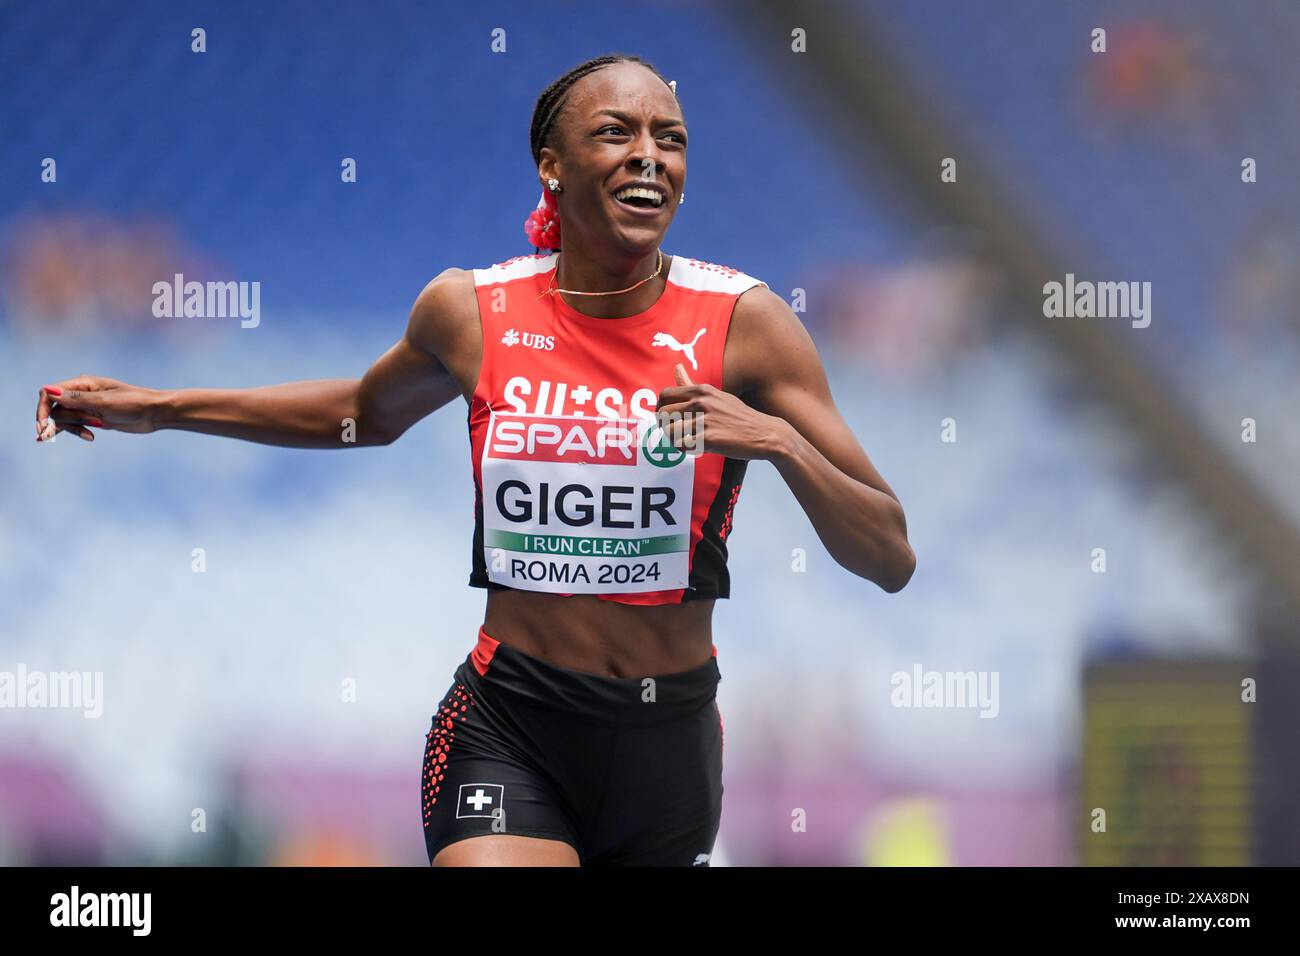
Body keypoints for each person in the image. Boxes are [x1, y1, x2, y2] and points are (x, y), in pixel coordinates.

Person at [34, 54, 915, 866]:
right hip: (509, 723)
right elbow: (358, 414)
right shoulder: (470, 311)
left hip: (666, 741)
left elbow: (889, 556)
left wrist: (778, 440)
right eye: (617, 132)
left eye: (670, 140)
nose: (649, 156)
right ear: (553, 167)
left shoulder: (745, 324)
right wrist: (161, 409)